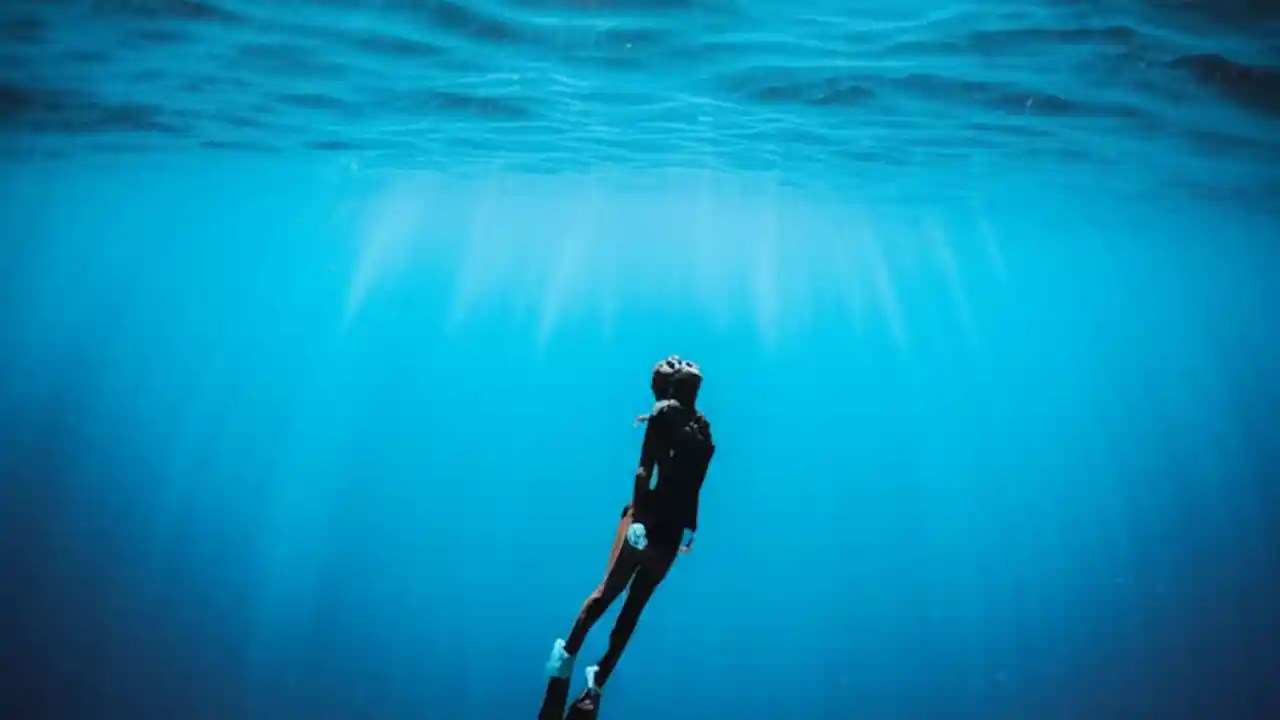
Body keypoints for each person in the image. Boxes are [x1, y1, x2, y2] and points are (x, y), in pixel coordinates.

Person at [539, 356, 717, 720]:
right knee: (609, 597)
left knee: (629, 611)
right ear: (676, 385)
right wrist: (638, 517)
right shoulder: (665, 415)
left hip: (666, 534)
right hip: (650, 524)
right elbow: (644, 469)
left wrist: (686, 527)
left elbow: (693, 481)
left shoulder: (700, 426)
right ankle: (566, 663)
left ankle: (594, 682)